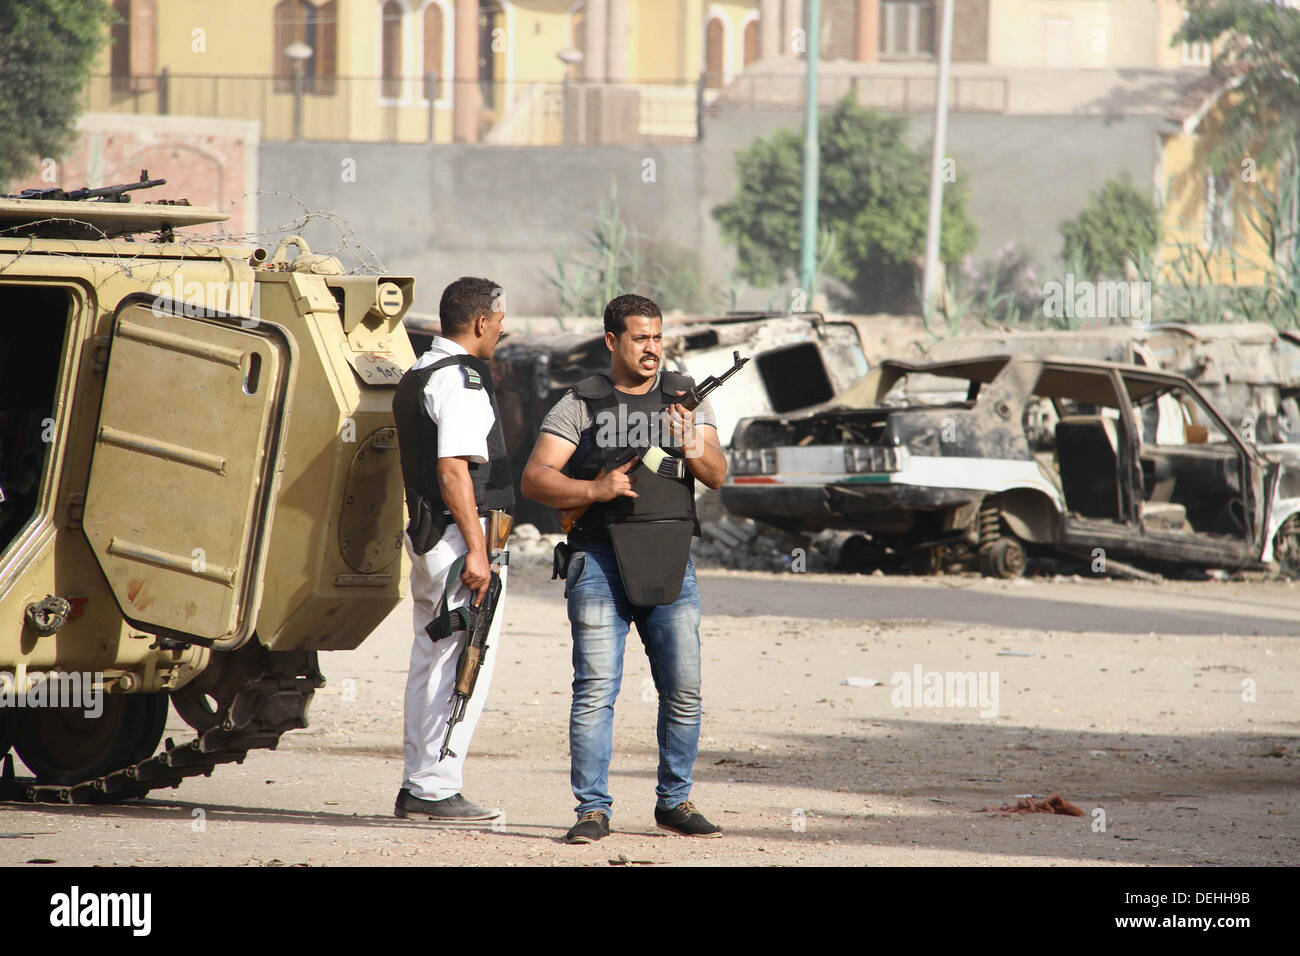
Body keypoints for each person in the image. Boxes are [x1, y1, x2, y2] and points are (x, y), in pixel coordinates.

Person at [520, 293, 728, 844]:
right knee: (594, 691)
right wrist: (593, 488)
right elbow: (535, 478)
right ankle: (592, 810)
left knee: (683, 691)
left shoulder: (686, 398)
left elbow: (717, 474)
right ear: (612, 340)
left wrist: (691, 442)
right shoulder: (580, 404)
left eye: (658, 338)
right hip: (599, 560)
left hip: (670, 559)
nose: (652, 349)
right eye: (640, 338)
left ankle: (675, 801)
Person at [391, 277, 512, 822]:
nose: (504, 328)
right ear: (482, 322)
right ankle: (433, 788)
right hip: (457, 540)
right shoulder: (461, 380)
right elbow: (453, 469)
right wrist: (479, 550)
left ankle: (423, 782)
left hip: (433, 538)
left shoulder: (419, 371)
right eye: (500, 319)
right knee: (462, 660)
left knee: (433, 659)